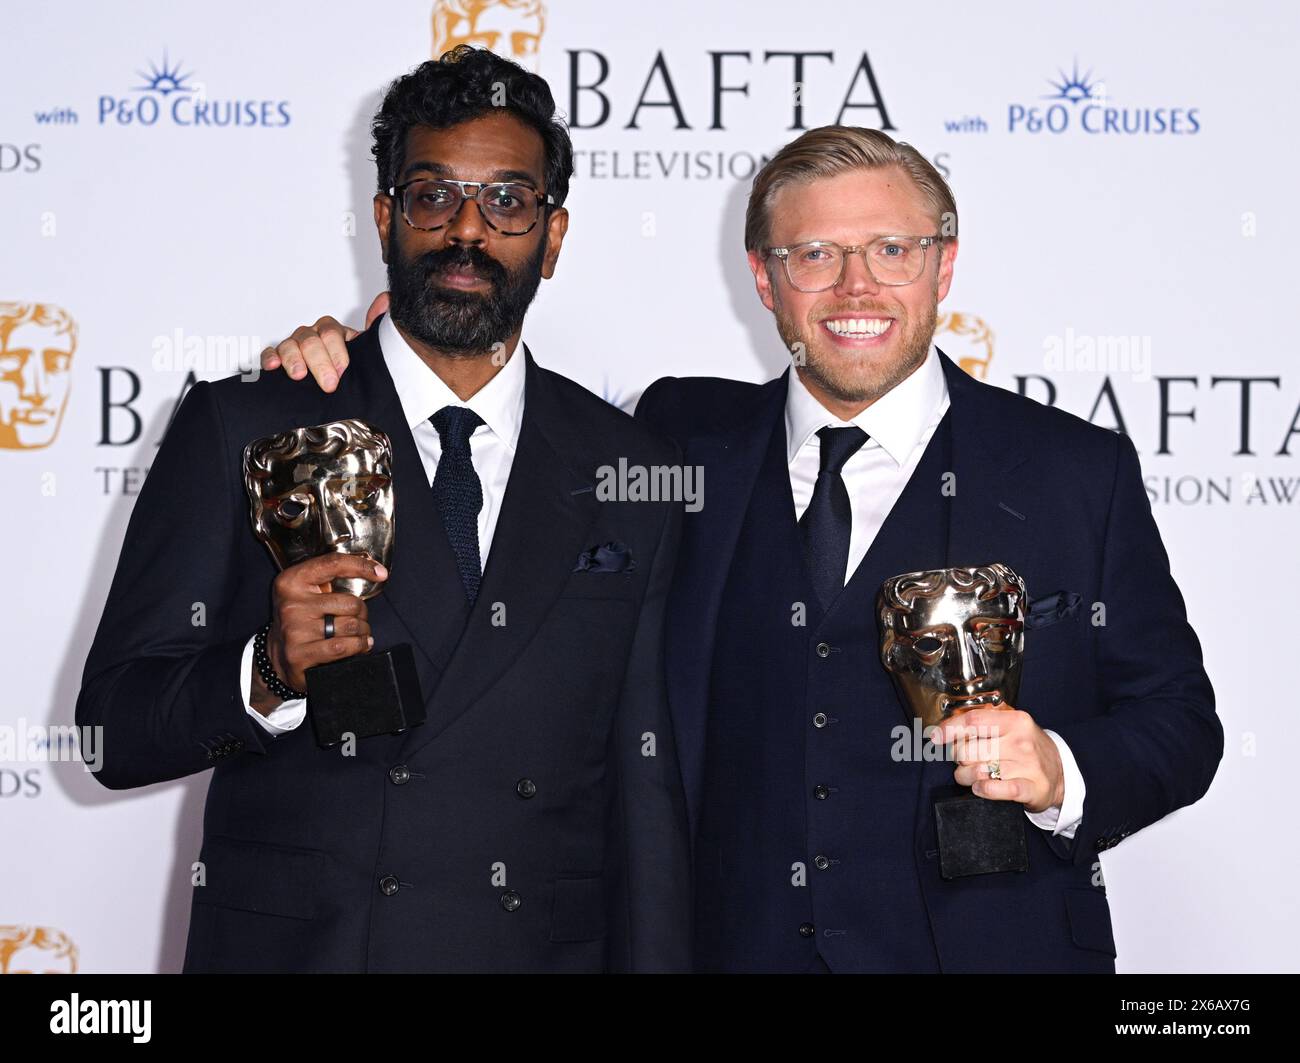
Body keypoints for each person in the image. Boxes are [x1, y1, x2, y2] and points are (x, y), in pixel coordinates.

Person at [262, 125, 1222, 973]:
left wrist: (1060, 769)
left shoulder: (1072, 470)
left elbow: (1179, 722)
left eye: (891, 249)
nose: (857, 287)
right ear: (764, 280)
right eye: (814, 254)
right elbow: (482, 396)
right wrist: (361, 364)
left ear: (944, 265)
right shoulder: (679, 441)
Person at [77, 46, 691, 973]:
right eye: (434, 195)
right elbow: (114, 731)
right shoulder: (250, 419)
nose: (467, 231)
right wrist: (267, 674)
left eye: (509, 201)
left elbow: (643, 793)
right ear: (386, 217)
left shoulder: (628, 464)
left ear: (553, 237)